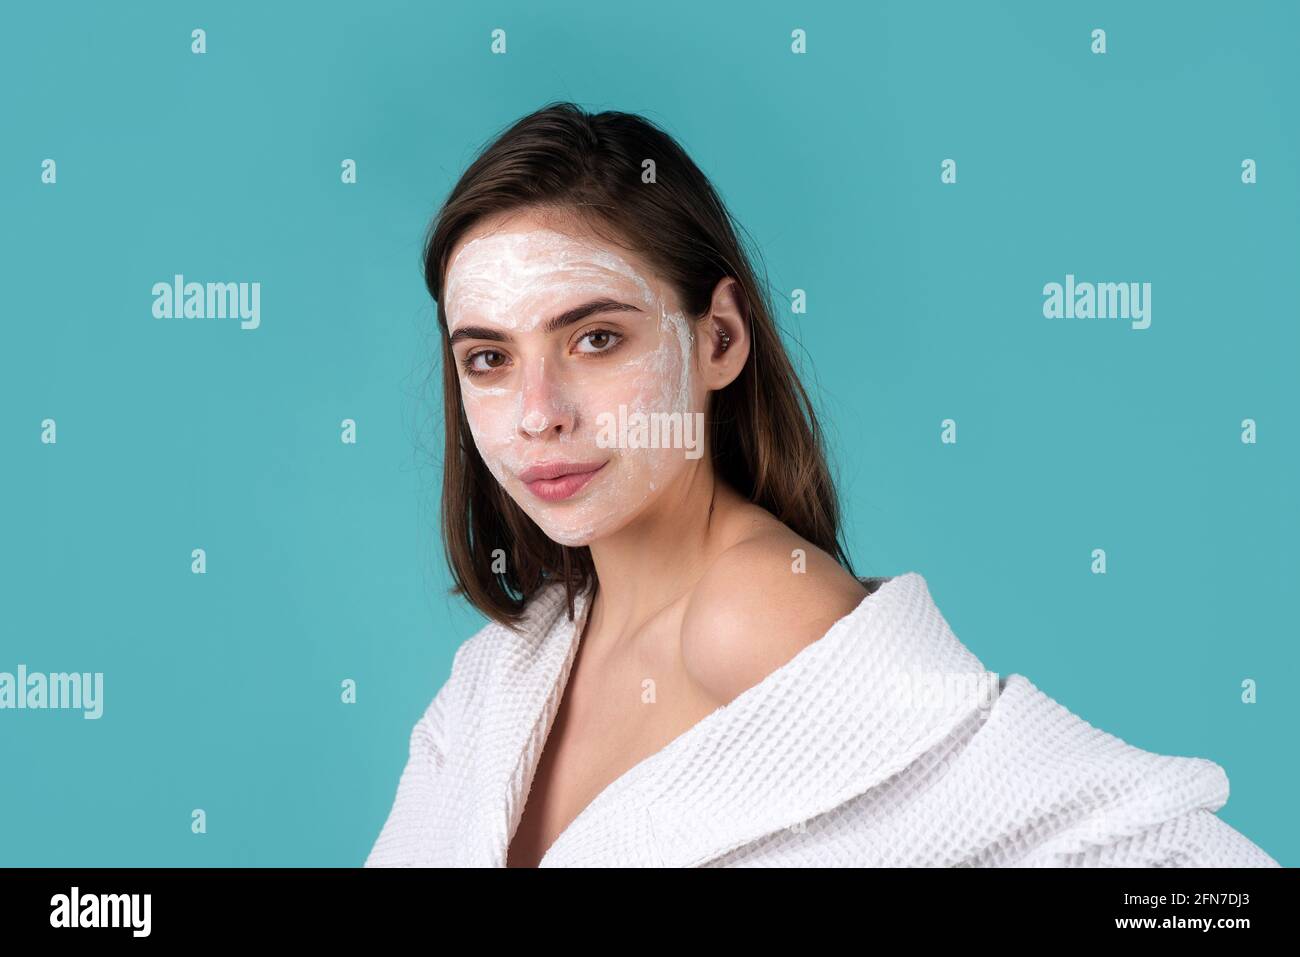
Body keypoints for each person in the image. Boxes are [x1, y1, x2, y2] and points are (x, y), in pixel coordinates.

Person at [365, 102, 1280, 868]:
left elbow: (1196, 881)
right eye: (488, 359)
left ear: (718, 339)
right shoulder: (515, 663)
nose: (538, 412)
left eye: (595, 338)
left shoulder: (756, 612)